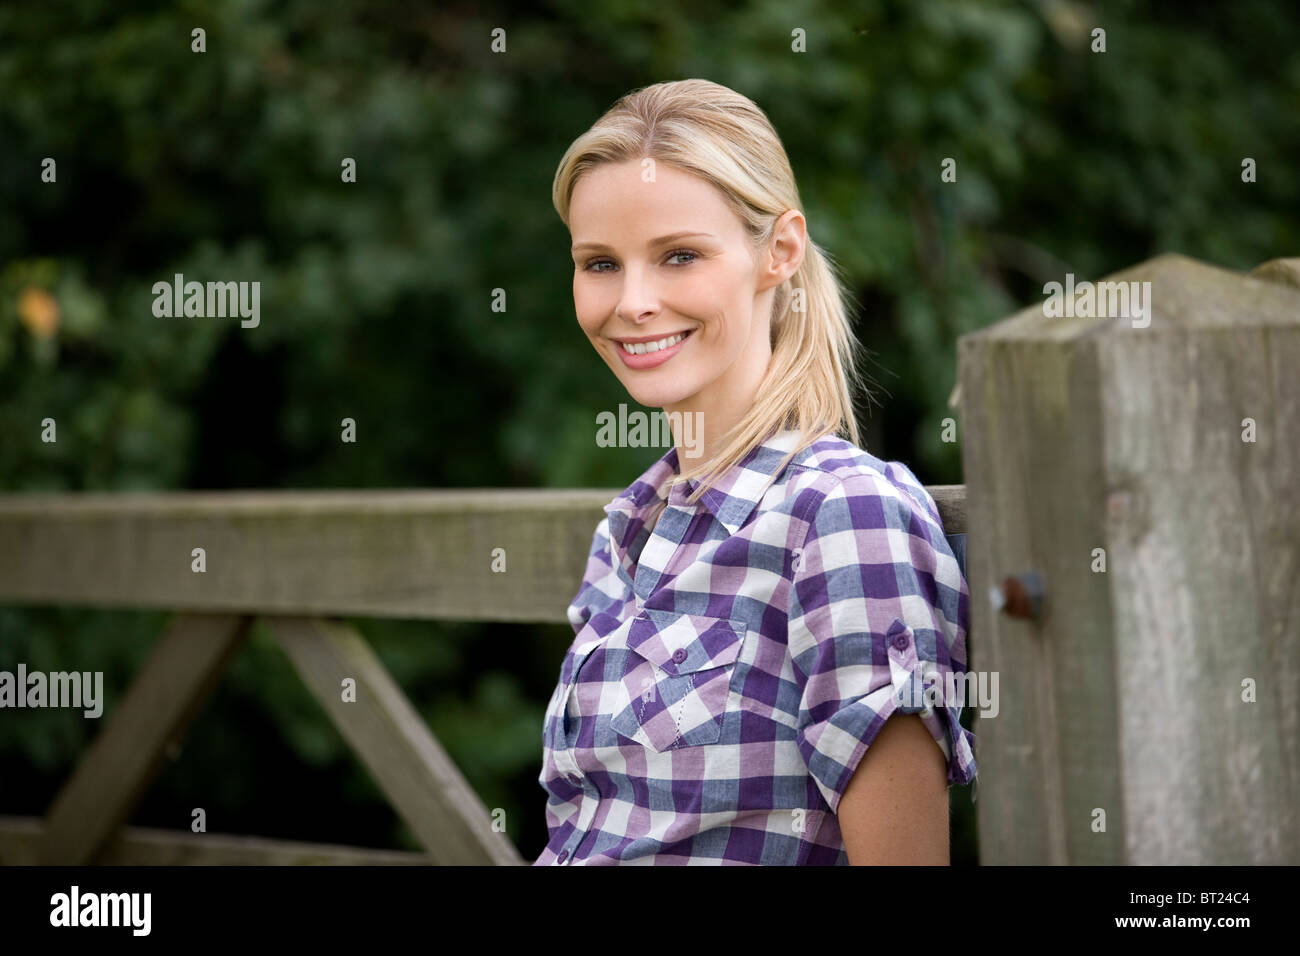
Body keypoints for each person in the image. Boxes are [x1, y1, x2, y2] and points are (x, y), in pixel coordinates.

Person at [536, 78, 976, 865]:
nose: (633, 302)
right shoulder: (626, 532)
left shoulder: (843, 517)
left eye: (679, 256)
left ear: (779, 251)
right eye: (600, 263)